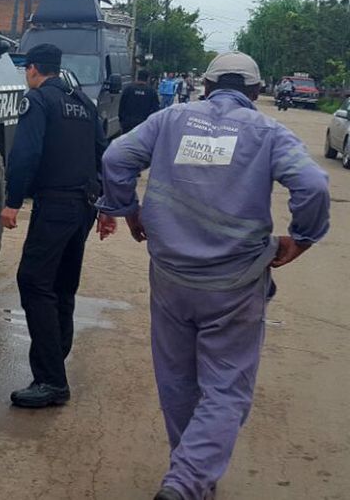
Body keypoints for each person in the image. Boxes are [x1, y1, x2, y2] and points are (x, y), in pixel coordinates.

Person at [95, 52, 330, 500]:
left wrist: (128, 211)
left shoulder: (169, 120)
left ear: (205, 86)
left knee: (178, 381)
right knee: (225, 390)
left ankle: (190, 476)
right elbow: (314, 186)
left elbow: (115, 157)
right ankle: (187, 483)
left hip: (170, 277)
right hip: (235, 286)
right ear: (257, 93)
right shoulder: (267, 132)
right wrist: (301, 238)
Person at [0, 43, 106, 409]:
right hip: (85, 205)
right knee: (61, 285)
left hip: (57, 205)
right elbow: (101, 154)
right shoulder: (84, 103)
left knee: (33, 282)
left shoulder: (39, 101)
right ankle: (55, 360)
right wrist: (106, 204)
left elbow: (26, 154)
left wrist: (12, 202)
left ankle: (50, 381)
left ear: (31, 70)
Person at [119, 69, 160, 133]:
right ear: (148, 78)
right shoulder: (151, 92)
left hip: (128, 124)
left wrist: (122, 121)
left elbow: (121, 106)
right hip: (144, 125)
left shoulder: (128, 89)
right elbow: (155, 110)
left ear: (137, 77)